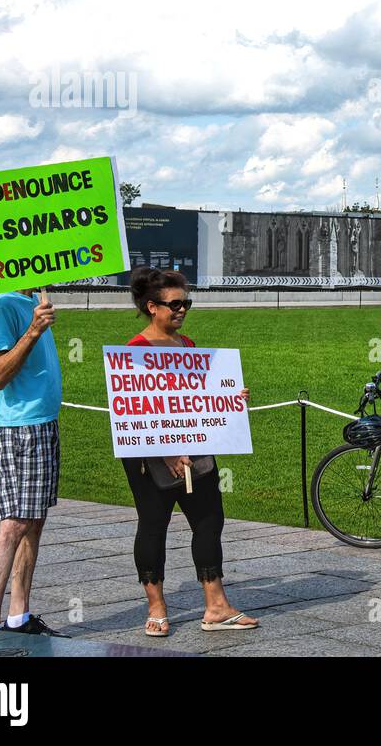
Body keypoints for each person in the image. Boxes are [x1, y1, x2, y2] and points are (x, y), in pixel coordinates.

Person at [122, 267, 257, 636]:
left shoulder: (188, 347)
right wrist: (166, 451)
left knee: (210, 520)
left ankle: (216, 606)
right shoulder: (135, 350)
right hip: (150, 456)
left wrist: (230, 399)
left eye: (187, 303)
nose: (182, 310)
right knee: (153, 525)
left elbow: (197, 401)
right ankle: (157, 606)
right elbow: (135, 409)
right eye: (175, 304)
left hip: (195, 449)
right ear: (152, 306)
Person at [0, 287, 68, 636]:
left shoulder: (32, 300)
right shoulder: (1, 304)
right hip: (22, 428)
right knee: (15, 521)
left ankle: (19, 614)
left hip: (42, 423)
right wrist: (33, 330)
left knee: (33, 522)